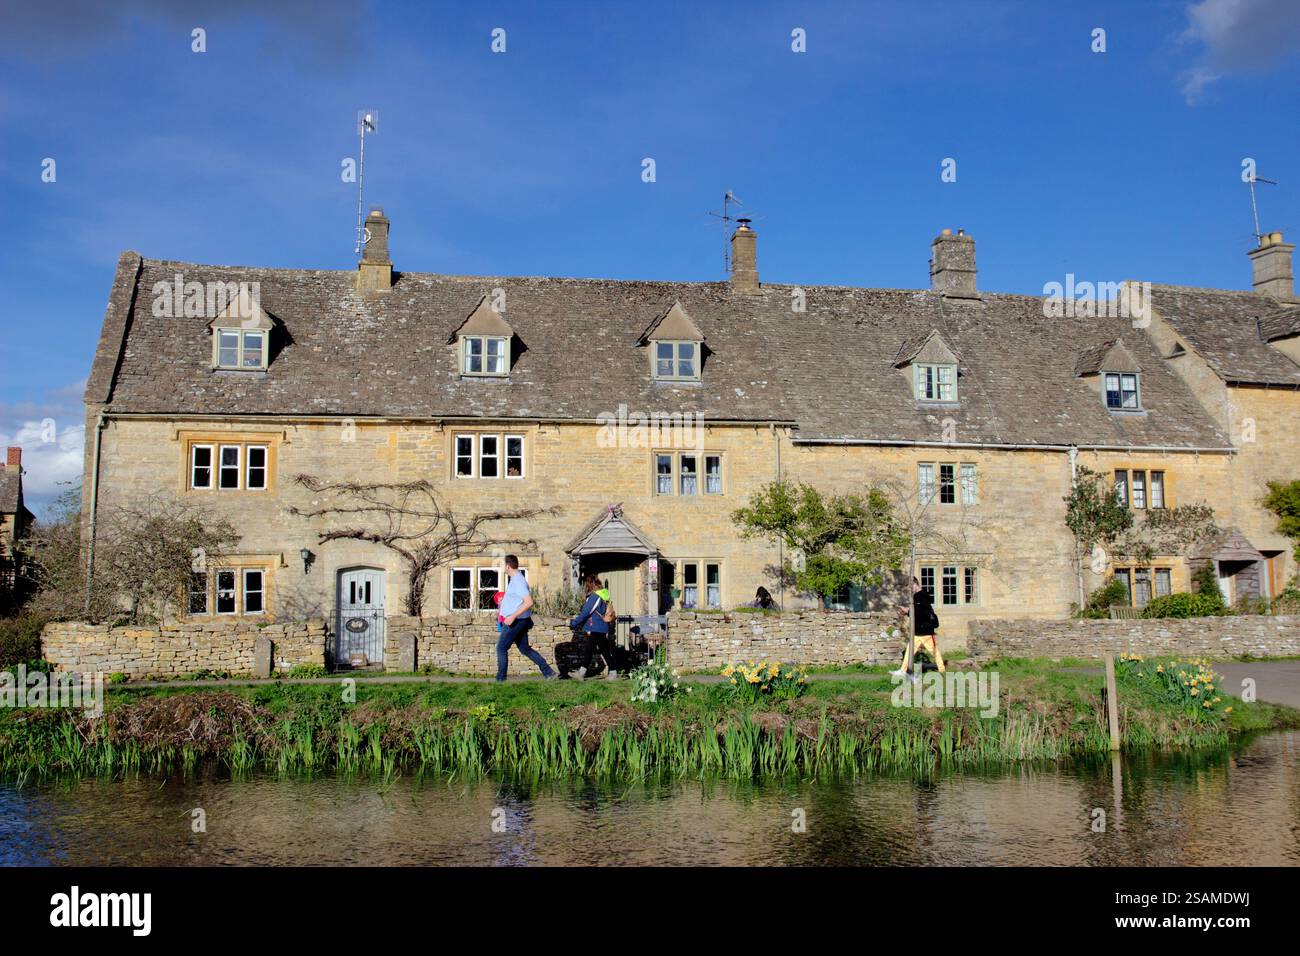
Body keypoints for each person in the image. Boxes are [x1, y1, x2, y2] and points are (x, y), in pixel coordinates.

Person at [496, 555, 556, 682]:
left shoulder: (518, 581)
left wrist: (512, 616)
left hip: (516, 621)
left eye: (502, 565)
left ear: (508, 566)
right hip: (520, 621)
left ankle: (500, 681)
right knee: (525, 649)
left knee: (501, 648)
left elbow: (528, 602)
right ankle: (549, 672)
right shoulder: (514, 579)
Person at [891, 576, 945, 683]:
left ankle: (942, 671)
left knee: (934, 652)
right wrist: (907, 611)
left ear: (916, 584)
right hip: (917, 631)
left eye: (911, 586)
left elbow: (922, 613)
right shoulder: (916, 596)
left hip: (926, 631)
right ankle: (903, 670)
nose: (910, 589)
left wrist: (907, 611)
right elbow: (917, 612)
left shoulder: (922, 595)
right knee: (909, 651)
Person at [568, 574, 619, 680]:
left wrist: (573, 623)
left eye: (586, 584)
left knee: (591, 649)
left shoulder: (595, 596)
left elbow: (586, 612)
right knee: (598, 650)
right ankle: (612, 673)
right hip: (600, 627)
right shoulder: (604, 594)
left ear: (590, 584)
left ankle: (582, 673)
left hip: (596, 627)